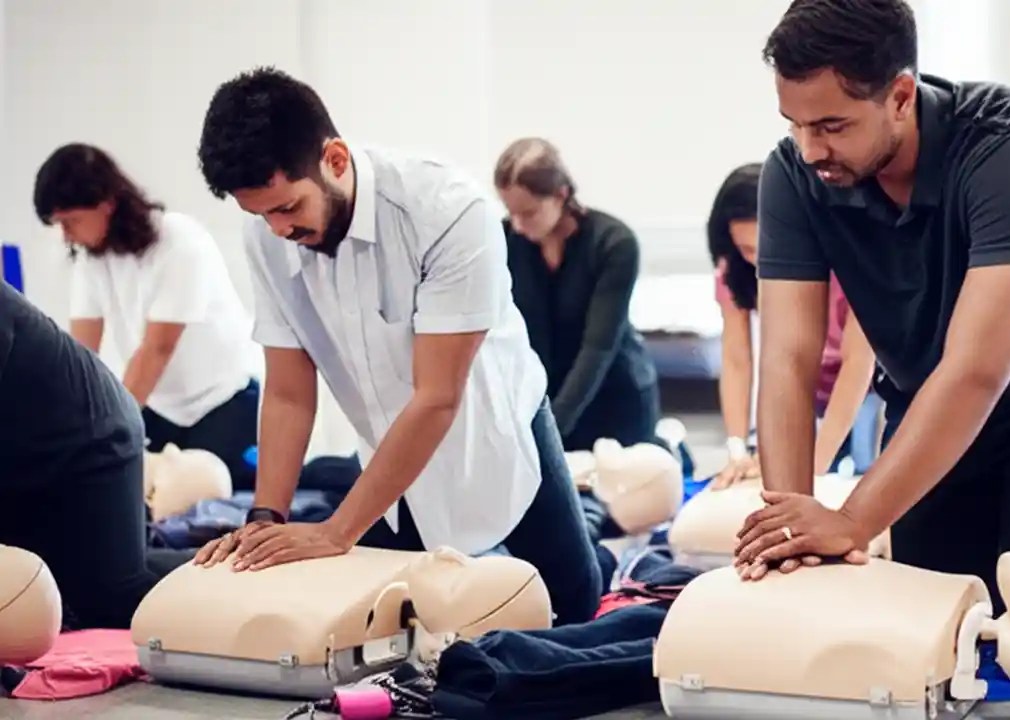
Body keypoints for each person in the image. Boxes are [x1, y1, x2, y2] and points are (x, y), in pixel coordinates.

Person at [732, 0, 1010, 611]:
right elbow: (786, 358)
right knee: (933, 614)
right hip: (926, 392)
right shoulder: (796, 173)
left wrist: (854, 520)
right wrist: (794, 527)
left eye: (832, 126)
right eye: (795, 124)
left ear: (899, 96)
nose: (810, 150)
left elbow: (977, 369)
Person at [189, 67, 602, 625]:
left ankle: (595, 528)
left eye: (288, 208)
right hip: (390, 457)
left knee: (573, 605)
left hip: (497, 430)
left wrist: (337, 532)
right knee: (415, 626)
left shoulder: (447, 209)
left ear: (334, 160)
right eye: (261, 214)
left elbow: (437, 397)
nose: (278, 228)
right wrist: (266, 516)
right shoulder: (267, 236)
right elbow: (288, 392)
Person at [34, 143, 261, 492]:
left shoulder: (179, 241)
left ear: (107, 203)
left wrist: (110, 429)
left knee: (213, 489)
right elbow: (80, 358)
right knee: (128, 487)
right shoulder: (90, 261)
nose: (66, 236)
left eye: (71, 221)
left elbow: (157, 349)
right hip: (162, 407)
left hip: (222, 400)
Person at [705, 163, 880, 489]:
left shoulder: (851, 260)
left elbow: (859, 363)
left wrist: (815, 463)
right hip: (807, 380)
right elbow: (737, 361)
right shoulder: (733, 272)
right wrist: (737, 450)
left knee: (864, 471)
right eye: (747, 251)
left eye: (767, 249)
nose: (759, 261)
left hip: (874, 382)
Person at [0, 281, 160, 629]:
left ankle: (243, 566)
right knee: (47, 584)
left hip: (90, 441)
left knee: (113, 598)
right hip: (19, 456)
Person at [495, 137, 660, 451]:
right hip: (543, 399)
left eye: (528, 213)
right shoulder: (505, 240)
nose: (517, 224)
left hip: (612, 399)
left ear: (562, 195)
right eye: (510, 212)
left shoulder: (613, 243)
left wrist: (550, 431)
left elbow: (597, 348)